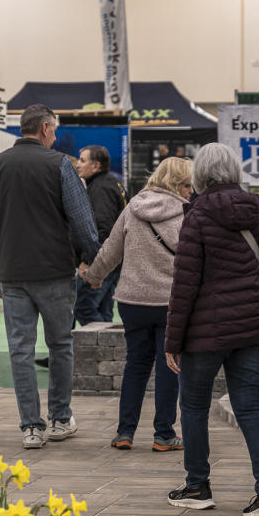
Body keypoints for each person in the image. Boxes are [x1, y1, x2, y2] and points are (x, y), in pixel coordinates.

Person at [164, 142, 259, 516]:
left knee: (194, 405)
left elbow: (185, 283)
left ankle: (197, 486)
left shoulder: (197, 215)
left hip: (205, 329)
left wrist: (173, 340)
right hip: (254, 322)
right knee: (250, 404)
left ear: (200, 175)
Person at [0, 104, 101, 450]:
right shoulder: (60, 164)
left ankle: (31, 428)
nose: (56, 136)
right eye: (55, 129)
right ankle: (60, 419)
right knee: (60, 344)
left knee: (20, 350)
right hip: (54, 272)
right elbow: (82, 221)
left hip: (13, 272)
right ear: (46, 128)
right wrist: (94, 262)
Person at [84, 157, 191, 452]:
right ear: (179, 184)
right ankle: (163, 435)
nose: (190, 191)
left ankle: (125, 432)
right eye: (187, 185)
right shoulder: (187, 214)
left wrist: (94, 276)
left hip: (132, 301)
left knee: (136, 365)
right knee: (170, 366)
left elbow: (111, 249)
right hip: (171, 303)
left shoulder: (133, 208)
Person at [73, 145, 126, 325]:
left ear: (96, 166)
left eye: (82, 161)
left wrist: (89, 261)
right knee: (104, 310)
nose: (78, 165)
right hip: (114, 260)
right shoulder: (112, 183)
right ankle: (110, 344)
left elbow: (102, 229)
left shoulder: (100, 188)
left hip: (102, 260)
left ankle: (101, 343)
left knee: (84, 307)